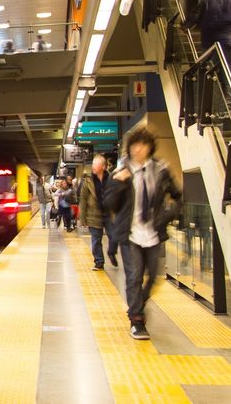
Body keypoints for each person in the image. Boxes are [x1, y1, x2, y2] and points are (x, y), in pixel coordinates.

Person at [104, 126, 182, 340]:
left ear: (150, 147)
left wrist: (167, 216)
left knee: (154, 277)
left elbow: (177, 196)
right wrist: (118, 184)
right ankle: (136, 319)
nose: (138, 149)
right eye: (135, 146)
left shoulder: (161, 170)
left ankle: (139, 304)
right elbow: (110, 205)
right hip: (130, 234)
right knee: (134, 276)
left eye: (143, 145)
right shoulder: (119, 172)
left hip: (153, 233)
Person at [79, 154, 116, 270]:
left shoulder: (112, 179)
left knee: (114, 237)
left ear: (103, 166)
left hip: (109, 214)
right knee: (96, 240)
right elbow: (83, 200)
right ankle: (99, 262)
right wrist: (83, 218)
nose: (94, 167)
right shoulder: (88, 181)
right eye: (93, 165)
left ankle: (111, 252)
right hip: (93, 215)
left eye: (96, 165)